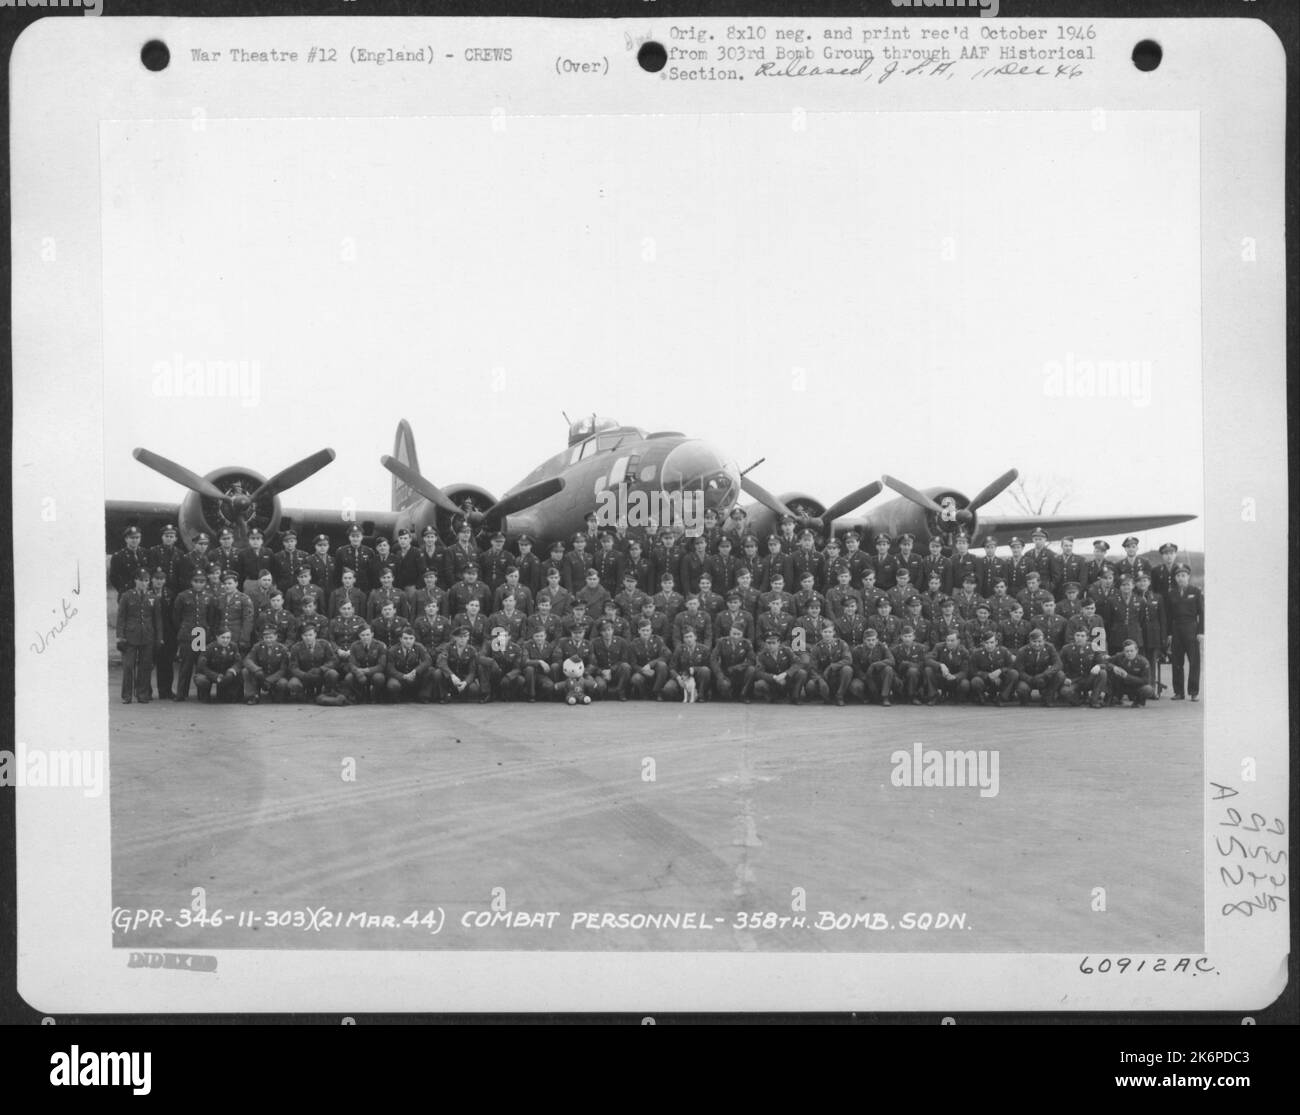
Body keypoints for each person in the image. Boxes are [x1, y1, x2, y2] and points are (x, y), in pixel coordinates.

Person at [116, 566, 160, 703]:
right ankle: (127, 695)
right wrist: (120, 636)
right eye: (141, 580)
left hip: (147, 636)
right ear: (135, 580)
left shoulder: (153, 597)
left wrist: (159, 637)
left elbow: (157, 620)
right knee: (128, 666)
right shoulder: (127, 596)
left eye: (146, 580)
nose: (143, 583)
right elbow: (121, 617)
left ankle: (142, 694)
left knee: (145, 666)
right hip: (130, 636)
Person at [172, 569, 215, 701]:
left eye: (201, 581)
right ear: (191, 582)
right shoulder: (183, 596)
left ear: (205, 583)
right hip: (188, 634)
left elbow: (211, 618)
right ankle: (181, 693)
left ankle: (202, 694)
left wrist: (208, 632)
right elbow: (176, 617)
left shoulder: (209, 597)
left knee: (201, 665)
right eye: (196, 581)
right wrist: (184, 629)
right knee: (186, 665)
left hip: (202, 634)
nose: (199, 584)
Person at [1164, 564, 1203, 701]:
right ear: (1175, 578)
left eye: (1183, 575)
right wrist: (1169, 633)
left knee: (1194, 661)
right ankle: (1178, 692)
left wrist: (1200, 632)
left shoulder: (1196, 591)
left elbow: (1202, 613)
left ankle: (1193, 692)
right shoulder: (1171, 593)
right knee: (1177, 662)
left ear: (1188, 577)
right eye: (1178, 576)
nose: (1181, 578)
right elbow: (1168, 615)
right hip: (1176, 629)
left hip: (1191, 628)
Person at [286, 623, 340, 702]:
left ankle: (326, 693)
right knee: (293, 684)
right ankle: (304, 696)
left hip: (321, 674)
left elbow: (333, 660)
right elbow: (293, 667)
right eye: (305, 635)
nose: (308, 638)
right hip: (305, 675)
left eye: (310, 635)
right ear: (301, 636)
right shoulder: (296, 647)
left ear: (315, 634)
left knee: (333, 673)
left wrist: (321, 669)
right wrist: (305, 675)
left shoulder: (324, 644)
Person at [145, 566, 177, 699]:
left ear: (165, 580)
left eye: (161, 579)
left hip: (167, 632)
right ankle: (146, 691)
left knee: (166, 664)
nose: (159, 581)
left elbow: (174, 615)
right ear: (152, 580)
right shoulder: (146, 593)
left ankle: (166, 691)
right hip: (150, 632)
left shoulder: (170, 594)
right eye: (156, 579)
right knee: (148, 663)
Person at [1059, 628, 1108, 708]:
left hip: (1089, 678)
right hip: (1074, 680)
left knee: (1102, 673)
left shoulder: (1093, 647)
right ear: (1074, 636)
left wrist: (1099, 666)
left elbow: (1104, 663)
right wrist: (1064, 678)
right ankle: (1078, 701)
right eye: (1077, 635)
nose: (1079, 638)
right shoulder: (1066, 649)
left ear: (1087, 637)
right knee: (1065, 691)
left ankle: (1094, 700)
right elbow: (1059, 665)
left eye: (1082, 636)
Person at [242, 626, 292, 705]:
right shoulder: (257, 646)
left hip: (275, 677)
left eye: (271, 637)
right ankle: (252, 696)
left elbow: (283, 669)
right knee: (246, 671)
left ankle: (274, 693)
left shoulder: (282, 649)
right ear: (263, 638)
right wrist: (256, 670)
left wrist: (269, 680)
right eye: (266, 638)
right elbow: (247, 660)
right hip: (261, 674)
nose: (268, 640)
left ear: (276, 637)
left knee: (283, 683)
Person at [806, 623, 853, 705]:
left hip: (838, 676)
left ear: (834, 633)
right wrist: (820, 679)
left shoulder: (841, 644)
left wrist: (832, 666)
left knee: (847, 669)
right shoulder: (816, 648)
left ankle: (840, 696)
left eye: (829, 632)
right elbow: (812, 668)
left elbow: (848, 659)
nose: (827, 634)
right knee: (810, 685)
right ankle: (825, 697)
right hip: (825, 677)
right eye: (825, 632)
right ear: (821, 632)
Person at [1014, 629, 1063, 707]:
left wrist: (1044, 674)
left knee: (1060, 675)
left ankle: (1048, 697)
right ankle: (1025, 699)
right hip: (1028, 679)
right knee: (1022, 689)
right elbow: (1019, 670)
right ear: (1030, 641)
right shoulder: (1022, 651)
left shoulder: (1050, 647)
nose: (1037, 644)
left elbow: (1058, 664)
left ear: (1044, 640)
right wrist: (1031, 679)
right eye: (1034, 641)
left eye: (1040, 641)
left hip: (1044, 678)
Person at [968, 632, 1018, 706]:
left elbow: (1011, 666)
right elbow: (973, 671)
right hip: (986, 681)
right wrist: (988, 675)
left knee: (1014, 673)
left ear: (996, 642)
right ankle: (981, 697)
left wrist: (1000, 671)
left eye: (992, 642)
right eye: (986, 643)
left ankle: (1002, 698)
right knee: (975, 681)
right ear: (983, 643)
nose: (989, 645)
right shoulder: (976, 654)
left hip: (1001, 680)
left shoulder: (1003, 651)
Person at [384, 627, 434, 703]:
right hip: (400, 678)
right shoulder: (392, 650)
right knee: (393, 685)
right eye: (405, 638)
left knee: (430, 670)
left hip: (414, 676)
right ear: (400, 639)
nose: (408, 641)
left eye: (411, 638)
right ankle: (397, 698)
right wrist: (403, 676)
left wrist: (415, 671)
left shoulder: (419, 647)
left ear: (414, 639)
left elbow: (428, 660)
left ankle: (423, 697)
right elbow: (390, 669)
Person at [212, 571, 256, 655]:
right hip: (222, 636)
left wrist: (244, 639)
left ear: (236, 584)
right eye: (225, 584)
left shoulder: (244, 599)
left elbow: (248, 620)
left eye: (230, 583)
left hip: (236, 636)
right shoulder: (220, 598)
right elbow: (217, 619)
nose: (227, 586)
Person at [195, 627, 243, 703]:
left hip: (225, 675)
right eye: (223, 637)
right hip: (210, 674)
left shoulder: (233, 646)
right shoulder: (208, 648)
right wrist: (215, 676)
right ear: (217, 637)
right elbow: (201, 667)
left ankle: (230, 695)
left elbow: (238, 662)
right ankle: (205, 695)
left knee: (240, 674)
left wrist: (232, 670)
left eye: (228, 637)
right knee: (201, 680)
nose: (226, 640)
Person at [663, 627, 712, 702]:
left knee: (705, 670)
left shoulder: (704, 649)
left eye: (690, 636)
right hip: (682, 678)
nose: (689, 639)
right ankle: (683, 696)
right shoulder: (679, 649)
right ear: (683, 639)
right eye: (686, 637)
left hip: (697, 678)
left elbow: (708, 667)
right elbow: (672, 668)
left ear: (695, 637)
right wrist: (678, 678)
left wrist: (695, 669)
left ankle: (701, 695)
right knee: (668, 689)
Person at [711, 623, 756, 702]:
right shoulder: (721, 642)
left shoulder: (747, 643)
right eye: (734, 633)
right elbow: (713, 659)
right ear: (730, 632)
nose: (735, 636)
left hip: (740, 673)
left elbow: (752, 660)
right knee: (724, 685)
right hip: (725, 673)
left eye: (738, 634)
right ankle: (727, 694)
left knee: (751, 669)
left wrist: (736, 668)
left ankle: (743, 694)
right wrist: (719, 674)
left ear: (742, 634)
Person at [1104, 639, 1155, 708]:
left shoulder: (1143, 662)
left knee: (1148, 689)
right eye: (1127, 651)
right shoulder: (1119, 656)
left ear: (1137, 651)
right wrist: (1113, 667)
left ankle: (1139, 701)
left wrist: (1127, 676)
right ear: (1123, 652)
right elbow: (1105, 662)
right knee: (1108, 672)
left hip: (1136, 686)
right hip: (1121, 685)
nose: (1129, 653)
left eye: (1132, 651)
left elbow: (1145, 680)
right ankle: (1114, 697)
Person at [342, 625, 387, 704]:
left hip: (374, 672)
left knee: (379, 678)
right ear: (359, 635)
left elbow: (381, 666)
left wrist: (366, 670)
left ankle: (374, 696)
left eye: (367, 635)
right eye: (363, 635)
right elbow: (351, 663)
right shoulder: (354, 646)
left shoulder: (380, 645)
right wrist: (357, 671)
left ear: (372, 634)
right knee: (349, 678)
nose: (365, 637)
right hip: (359, 673)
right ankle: (360, 695)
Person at [590, 619, 633, 700]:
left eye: (609, 630)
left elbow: (624, 659)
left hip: (616, 672)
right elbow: (592, 663)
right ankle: (604, 694)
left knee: (626, 666)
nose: (607, 633)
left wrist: (611, 670)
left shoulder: (621, 642)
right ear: (600, 632)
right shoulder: (594, 643)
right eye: (604, 631)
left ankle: (620, 691)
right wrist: (601, 671)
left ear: (613, 630)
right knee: (600, 686)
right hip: (601, 673)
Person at [849, 628, 895, 706]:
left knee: (888, 669)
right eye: (868, 640)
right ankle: (866, 697)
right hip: (864, 677)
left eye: (873, 640)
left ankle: (885, 697)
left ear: (877, 640)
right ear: (864, 640)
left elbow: (891, 661)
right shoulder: (857, 650)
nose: (871, 642)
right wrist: (866, 679)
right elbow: (856, 669)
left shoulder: (882, 647)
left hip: (879, 676)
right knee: (855, 686)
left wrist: (874, 665)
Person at [482, 626, 528, 702]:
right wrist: (492, 662)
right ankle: (488, 694)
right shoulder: (489, 645)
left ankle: (509, 695)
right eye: (500, 636)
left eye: (505, 636)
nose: (502, 638)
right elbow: (480, 657)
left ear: (509, 637)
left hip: (508, 675)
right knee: (483, 666)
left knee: (521, 680)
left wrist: (508, 676)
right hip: (494, 674)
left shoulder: (516, 648)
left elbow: (518, 668)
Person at [437, 627, 482, 703]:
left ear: (468, 637)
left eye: (465, 637)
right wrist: (451, 675)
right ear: (455, 638)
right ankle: (443, 696)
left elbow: (472, 671)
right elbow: (441, 662)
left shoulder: (472, 650)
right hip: (450, 678)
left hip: (463, 678)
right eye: (460, 637)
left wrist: (465, 682)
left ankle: (458, 693)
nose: (462, 639)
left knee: (474, 689)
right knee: (437, 673)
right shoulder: (448, 647)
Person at [628, 619, 671, 700]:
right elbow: (633, 664)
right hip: (641, 671)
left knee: (662, 665)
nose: (645, 633)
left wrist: (650, 665)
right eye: (643, 630)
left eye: (647, 630)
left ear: (651, 631)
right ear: (639, 631)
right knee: (636, 679)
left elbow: (665, 656)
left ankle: (657, 692)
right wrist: (643, 670)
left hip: (655, 671)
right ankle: (644, 695)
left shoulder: (658, 640)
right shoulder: (633, 644)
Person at [925, 631, 971, 705]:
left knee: (965, 684)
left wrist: (954, 676)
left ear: (958, 641)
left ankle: (956, 697)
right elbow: (927, 659)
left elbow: (964, 672)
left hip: (954, 680)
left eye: (952, 641)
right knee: (928, 670)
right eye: (947, 640)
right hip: (942, 678)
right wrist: (940, 665)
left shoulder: (964, 652)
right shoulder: (939, 647)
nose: (949, 643)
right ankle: (933, 696)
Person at [890, 626, 930, 705]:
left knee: (912, 671)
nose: (907, 639)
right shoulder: (895, 650)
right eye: (905, 636)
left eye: (910, 636)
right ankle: (899, 695)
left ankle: (912, 697)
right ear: (901, 637)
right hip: (901, 676)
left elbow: (923, 665)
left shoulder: (921, 648)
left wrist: (909, 664)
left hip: (916, 677)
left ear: (914, 637)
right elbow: (893, 666)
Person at [334, 524, 377, 593]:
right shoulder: (341, 552)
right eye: (353, 536)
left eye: (358, 536)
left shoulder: (369, 551)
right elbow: (337, 573)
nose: (355, 539)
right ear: (349, 537)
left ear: (362, 537)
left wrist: (371, 588)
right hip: (347, 587)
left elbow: (372, 573)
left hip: (364, 588)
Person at [109, 526, 150, 598]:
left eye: (137, 538)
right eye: (132, 538)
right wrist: (123, 590)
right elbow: (113, 577)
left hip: (144, 592)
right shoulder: (118, 556)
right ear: (126, 539)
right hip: (127, 593)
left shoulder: (146, 553)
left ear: (140, 539)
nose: (135, 540)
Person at [148, 523, 185, 596]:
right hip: (160, 586)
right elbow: (151, 569)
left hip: (175, 587)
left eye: (171, 537)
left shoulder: (180, 553)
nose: (169, 538)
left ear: (175, 539)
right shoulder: (154, 551)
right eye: (166, 536)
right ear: (162, 537)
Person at [521, 629, 557, 702]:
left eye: (541, 636)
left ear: (545, 636)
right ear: (533, 637)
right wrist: (539, 662)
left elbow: (552, 661)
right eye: (537, 636)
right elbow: (525, 661)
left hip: (541, 674)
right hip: (529, 674)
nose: (539, 638)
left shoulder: (549, 646)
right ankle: (531, 696)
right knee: (529, 669)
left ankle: (538, 696)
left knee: (549, 686)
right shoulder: (526, 645)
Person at [236, 528, 271, 597]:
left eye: (258, 539)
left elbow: (274, 569)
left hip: (266, 583)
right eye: (252, 539)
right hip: (250, 583)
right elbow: (240, 573)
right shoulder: (243, 554)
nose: (255, 541)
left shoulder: (269, 552)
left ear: (262, 541)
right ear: (249, 540)